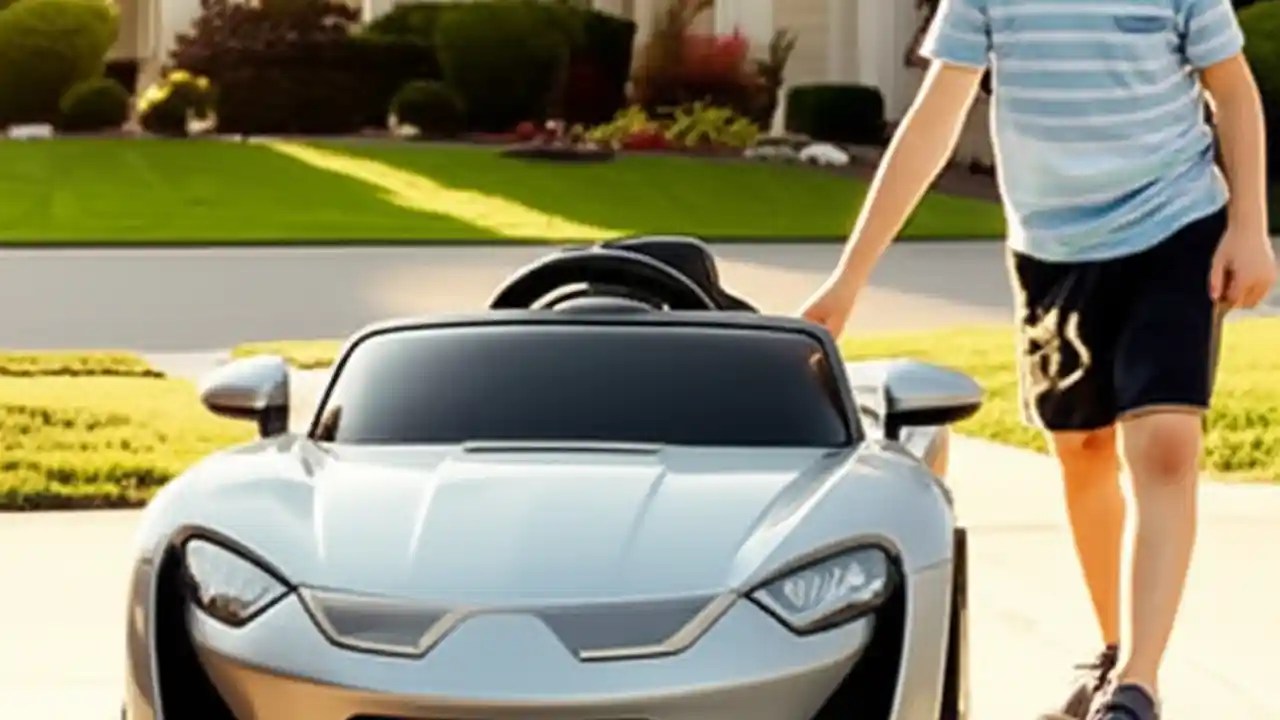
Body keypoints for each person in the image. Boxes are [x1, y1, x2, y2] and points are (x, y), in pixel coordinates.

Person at [798, 1, 1276, 718]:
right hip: (1054, 252)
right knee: (1081, 450)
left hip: (1176, 224)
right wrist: (850, 277)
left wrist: (1249, 225)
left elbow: (1233, 89)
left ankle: (1139, 689)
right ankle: (1115, 653)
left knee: (1166, 444)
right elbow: (932, 123)